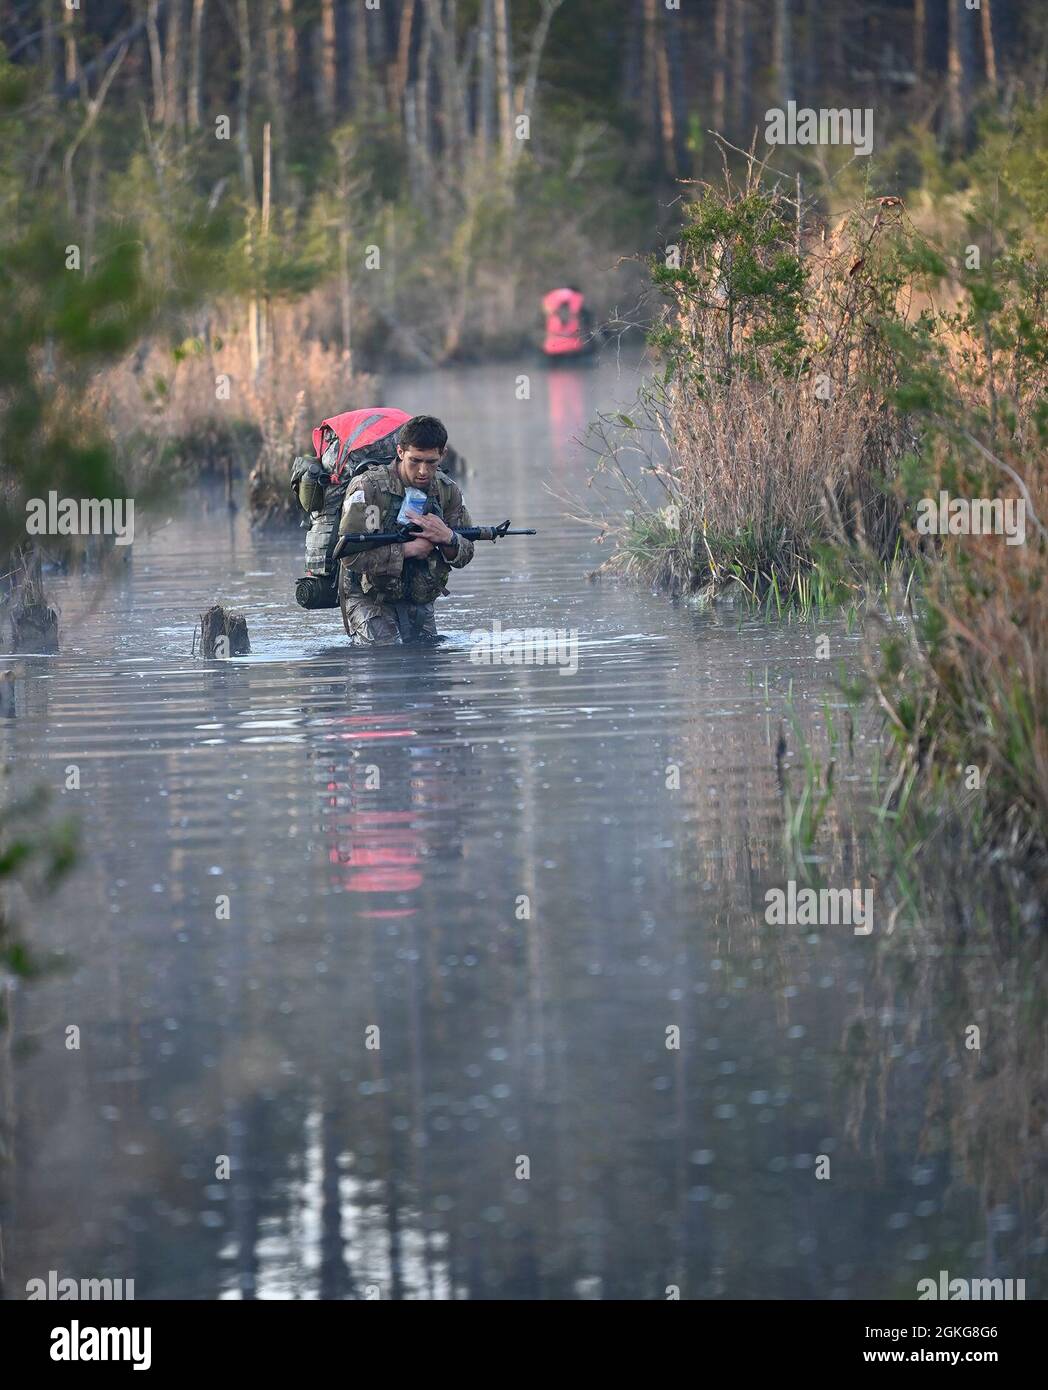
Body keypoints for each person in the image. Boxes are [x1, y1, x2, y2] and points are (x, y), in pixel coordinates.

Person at [337, 414, 474, 645]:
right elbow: (349, 556)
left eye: (431, 462)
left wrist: (448, 538)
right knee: (386, 653)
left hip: (418, 595)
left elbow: (465, 553)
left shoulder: (446, 491)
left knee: (428, 657)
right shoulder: (368, 488)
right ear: (400, 452)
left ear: (443, 455)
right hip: (367, 596)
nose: (423, 471)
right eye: (415, 460)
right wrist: (409, 550)